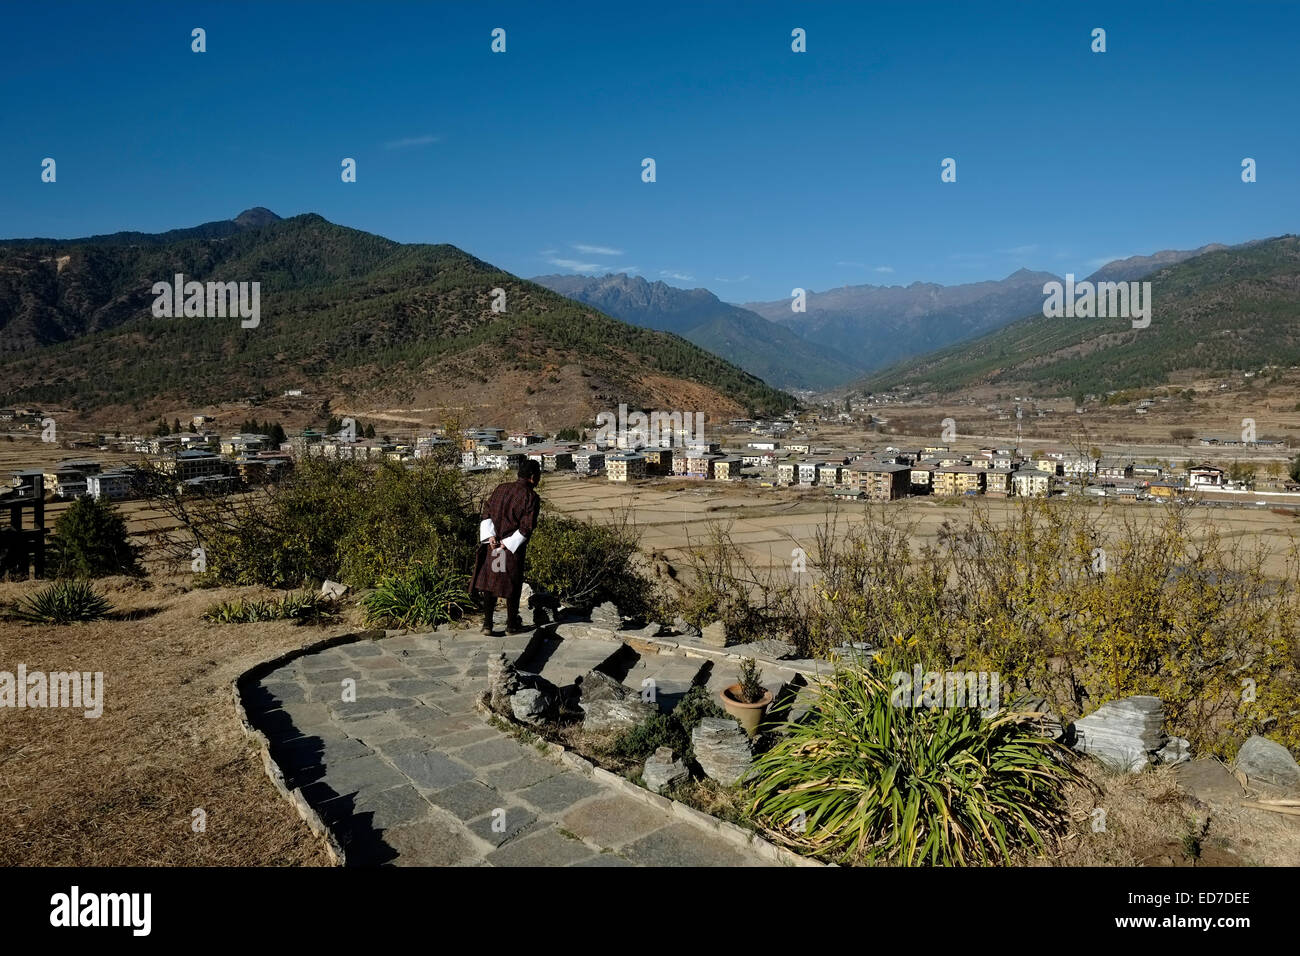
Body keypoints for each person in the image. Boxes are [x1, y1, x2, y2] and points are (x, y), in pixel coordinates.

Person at [472, 458, 541, 635]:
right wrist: (508, 544)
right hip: (511, 549)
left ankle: (488, 624)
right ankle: (511, 625)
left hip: (494, 545)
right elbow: (527, 527)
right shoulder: (531, 497)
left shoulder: (501, 488)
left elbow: (486, 511)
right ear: (532, 477)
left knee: (492, 582)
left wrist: (491, 537)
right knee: (512, 583)